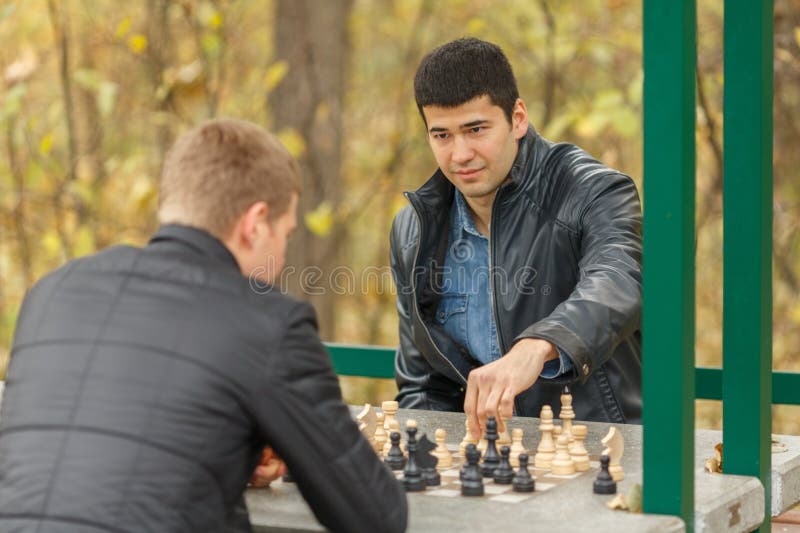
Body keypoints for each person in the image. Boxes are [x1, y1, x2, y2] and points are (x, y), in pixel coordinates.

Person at [0, 119, 407, 533]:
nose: (283, 258)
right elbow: (376, 517)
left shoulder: (53, 292)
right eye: (285, 234)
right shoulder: (270, 324)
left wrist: (237, 450)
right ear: (255, 222)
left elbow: (104, 448)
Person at [390, 37, 642, 436]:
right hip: (485, 464)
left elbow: (618, 282)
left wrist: (538, 345)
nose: (460, 154)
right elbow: (423, 383)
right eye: (442, 135)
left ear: (518, 118)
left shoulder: (594, 190)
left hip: (599, 452)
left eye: (476, 129)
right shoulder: (413, 231)